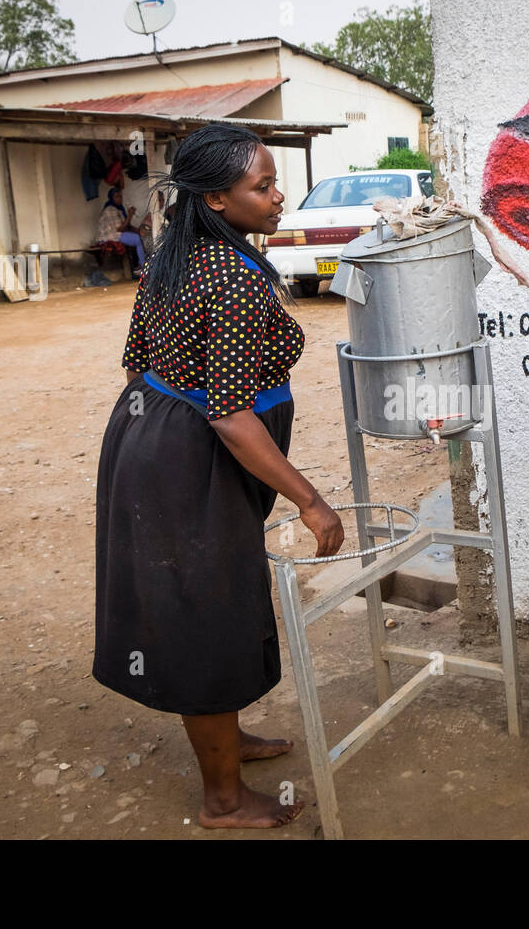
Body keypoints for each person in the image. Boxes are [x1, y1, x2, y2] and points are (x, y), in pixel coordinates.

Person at [93, 122, 345, 829]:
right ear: (217, 200)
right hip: (192, 462)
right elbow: (231, 417)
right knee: (205, 613)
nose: (277, 194)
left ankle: (226, 743)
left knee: (214, 595)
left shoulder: (175, 256)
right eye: (261, 186)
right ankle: (223, 800)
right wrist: (312, 502)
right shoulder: (231, 278)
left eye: (272, 181)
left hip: (151, 439)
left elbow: (136, 358)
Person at [95, 187, 146, 276]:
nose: (119, 199)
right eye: (116, 197)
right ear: (111, 198)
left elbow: (126, 226)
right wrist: (130, 215)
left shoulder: (119, 209)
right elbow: (120, 229)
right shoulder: (110, 209)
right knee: (137, 239)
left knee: (140, 236)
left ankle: (139, 266)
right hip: (109, 236)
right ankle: (143, 266)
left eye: (120, 196)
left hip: (117, 234)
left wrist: (138, 230)